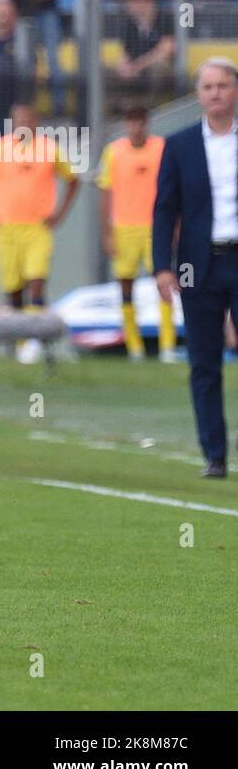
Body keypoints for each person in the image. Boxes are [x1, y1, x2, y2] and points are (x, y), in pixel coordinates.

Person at [153, 58, 238, 477]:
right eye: (208, 87)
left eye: (223, 85)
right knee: (204, 362)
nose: (216, 93)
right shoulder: (180, 144)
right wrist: (161, 267)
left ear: (235, 90)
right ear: (198, 94)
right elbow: (164, 209)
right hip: (198, 266)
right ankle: (215, 455)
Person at [0, 102, 79, 363]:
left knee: (36, 281)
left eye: (28, 119)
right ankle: (18, 346)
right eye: (19, 120)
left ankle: (33, 344)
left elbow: (72, 180)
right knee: (13, 289)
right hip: (6, 229)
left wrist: (59, 214)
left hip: (37, 228)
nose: (23, 124)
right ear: (12, 122)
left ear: (36, 122)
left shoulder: (49, 149)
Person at [98, 106, 177, 363]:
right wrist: (107, 231)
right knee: (125, 284)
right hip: (123, 227)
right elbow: (105, 193)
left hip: (156, 227)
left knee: (163, 283)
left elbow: (174, 189)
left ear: (147, 123)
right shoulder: (113, 152)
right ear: (126, 123)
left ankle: (167, 346)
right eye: (131, 122)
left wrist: (176, 225)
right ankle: (134, 347)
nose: (136, 128)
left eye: (140, 122)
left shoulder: (162, 148)